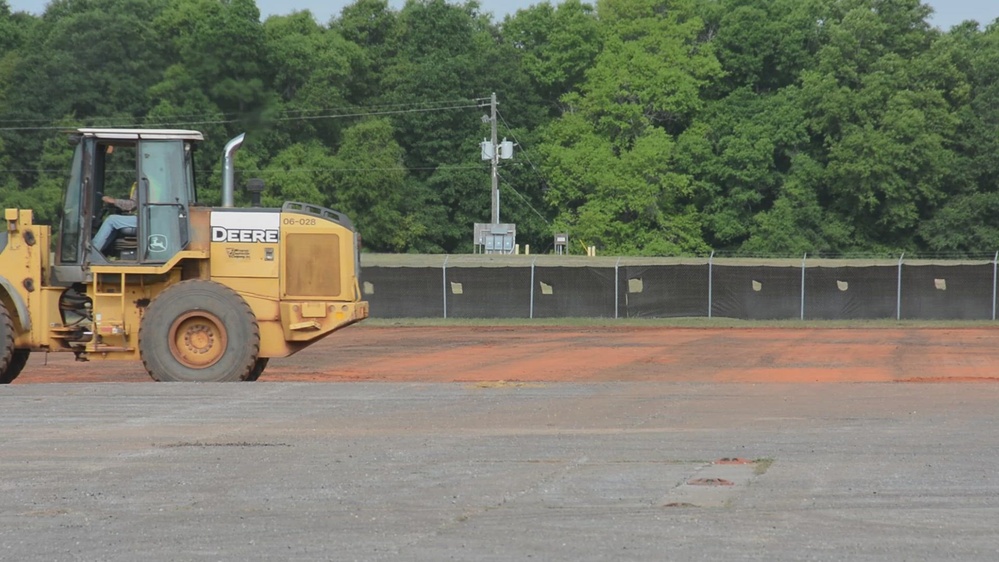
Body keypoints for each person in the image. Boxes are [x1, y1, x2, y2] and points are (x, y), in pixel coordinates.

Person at [91, 182, 137, 257]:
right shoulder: (150, 182)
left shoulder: (144, 182)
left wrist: (113, 201)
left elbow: (132, 205)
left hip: (146, 219)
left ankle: (92, 252)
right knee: (116, 224)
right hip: (148, 217)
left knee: (111, 220)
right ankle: (101, 253)